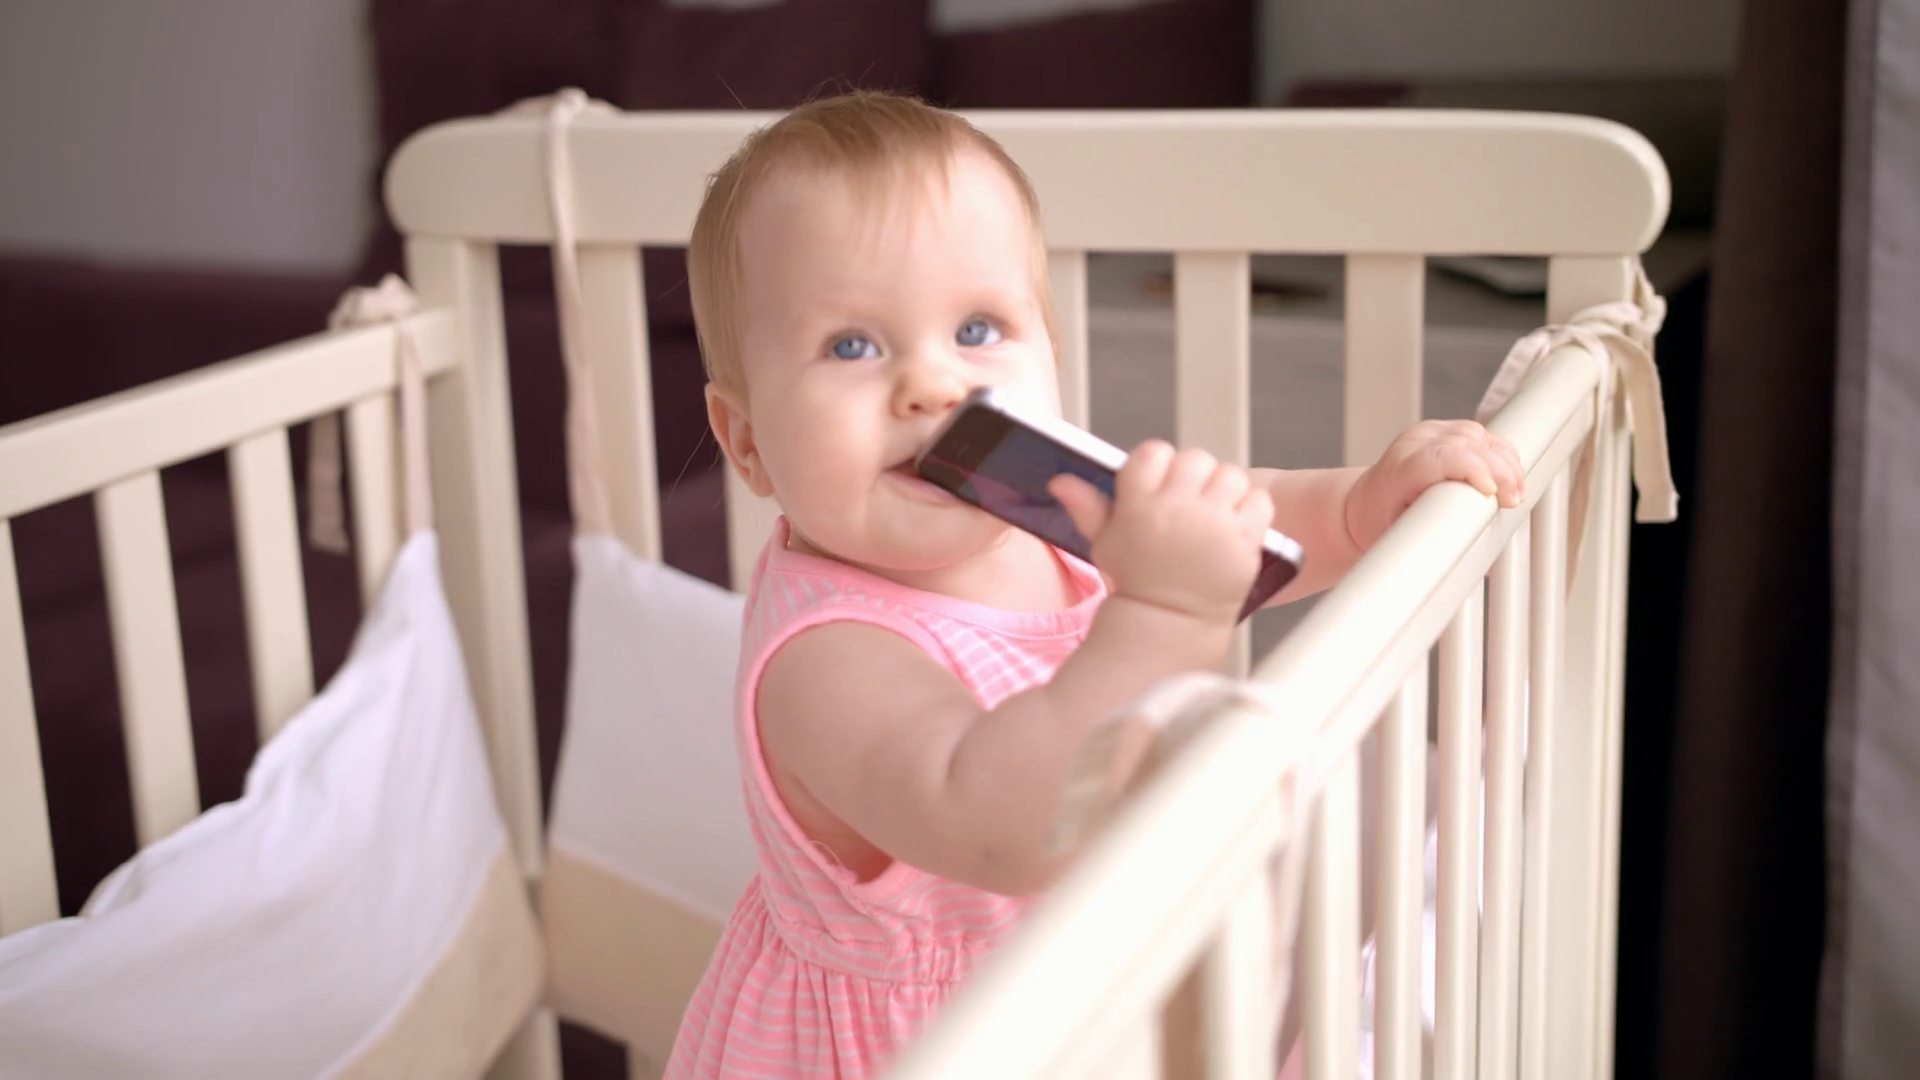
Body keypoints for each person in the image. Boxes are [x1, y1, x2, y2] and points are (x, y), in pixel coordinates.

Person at [663, 90, 1523, 1079]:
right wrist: (1161, 611)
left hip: (1088, 996)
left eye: (978, 329)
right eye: (852, 346)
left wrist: (1363, 507)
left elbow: (1237, 514)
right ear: (746, 439)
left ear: (1051, 358)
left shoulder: (1041, 508)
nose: (931, 384)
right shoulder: (828, 658)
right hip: (928, 1046)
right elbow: (1003, 824)